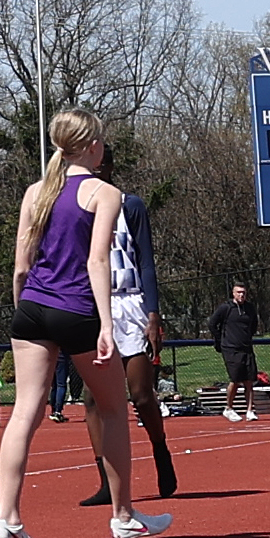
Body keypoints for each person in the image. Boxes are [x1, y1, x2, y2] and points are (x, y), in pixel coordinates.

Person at [0, 109, 171, 538]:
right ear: (93, 145)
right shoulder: (104, 192)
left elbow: (20, 266)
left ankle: (6, 518)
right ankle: (124, 516)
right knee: (112, 410)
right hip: (77, 310)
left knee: (24, 413)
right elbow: (96, 263)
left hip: (32, 309)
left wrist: (24, 314)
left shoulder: (36, 192)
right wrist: (107, 324)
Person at [78, 152, 176, 505]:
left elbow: (146, 261)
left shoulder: (129, 205)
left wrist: (153, 314)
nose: (93, 171)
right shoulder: (78, 208)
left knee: (141, 395)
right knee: (92, 397)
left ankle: (160, 448)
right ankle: (105, 479)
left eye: (99, 165)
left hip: (130, 302)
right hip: (93, 304)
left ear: (109, 168)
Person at [210, 283, 259, 422]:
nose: (241, 295)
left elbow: (254, 324)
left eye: (243, 292)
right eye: (238, 292)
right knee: (235, 379)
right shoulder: (226, 308)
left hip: (247, 347)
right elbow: (212, 324)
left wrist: (249, 336)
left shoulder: (249, 308)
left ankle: (250, 410)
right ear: (233, 293)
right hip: (230, 348)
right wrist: (220, 340)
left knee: (249, 380)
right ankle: (229, 408)